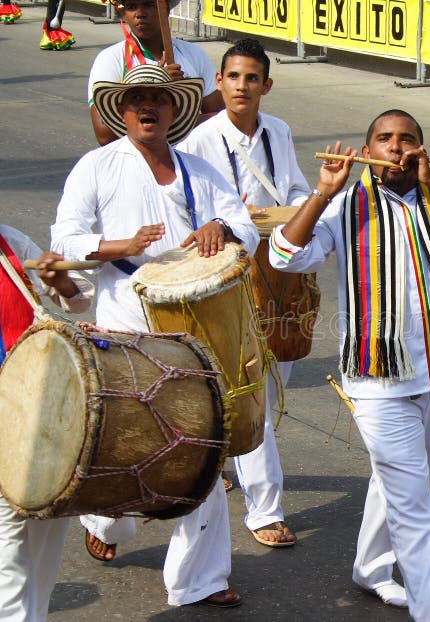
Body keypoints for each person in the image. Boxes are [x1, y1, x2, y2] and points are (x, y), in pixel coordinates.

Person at [269, 109, 430, 621]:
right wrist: (321, 193)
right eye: (385, 139)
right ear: (368, 151)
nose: (396, 147)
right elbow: (284, 256)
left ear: (421, 150)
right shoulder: (344, 206)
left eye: (407, 139)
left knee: (400, 480)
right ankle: (429, 607)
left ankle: (369, 568)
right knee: (412, 498)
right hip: (377, 378)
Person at [51, 64, 258, 608]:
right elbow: (65, 237)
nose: (148, 106)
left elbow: (245, 224)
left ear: (173, 110)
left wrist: (221, 227)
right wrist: (119, 246)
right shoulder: (96, 166)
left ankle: (200, 578)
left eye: (158, 99)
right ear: (122, 111)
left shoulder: (199, 170)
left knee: (204, 441)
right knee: (125, 443)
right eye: (137, 99)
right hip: (122, 320)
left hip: (193, 324)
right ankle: (106, 520)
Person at [178, 37, 311, 548]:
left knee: (274, 382)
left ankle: (228, 452)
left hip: (277, 264)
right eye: (233, 77)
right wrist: (230, 218)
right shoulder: (199, 140)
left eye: (252, 78)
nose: (242, 86)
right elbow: (191, 212)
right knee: (253, 388)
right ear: (219, 82)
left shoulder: (279, 131)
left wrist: (293, 210)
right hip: (230, 269)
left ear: (266, 85)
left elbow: (296, 190)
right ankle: (265, 508)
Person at [0, 224, 94, 621]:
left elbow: (77, 299)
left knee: (46, 530)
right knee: (8, 547)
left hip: (37, 408)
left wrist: (60, 282)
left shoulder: (9, 243)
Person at [87, 0, 223, 145]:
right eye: (132, 7)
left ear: (166, 9)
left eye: (149, 5)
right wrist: (160, 84)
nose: (140, 14)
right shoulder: (110, 59)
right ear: (123, 14)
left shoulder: (194, 54)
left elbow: (221, 118)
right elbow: (104, 134)